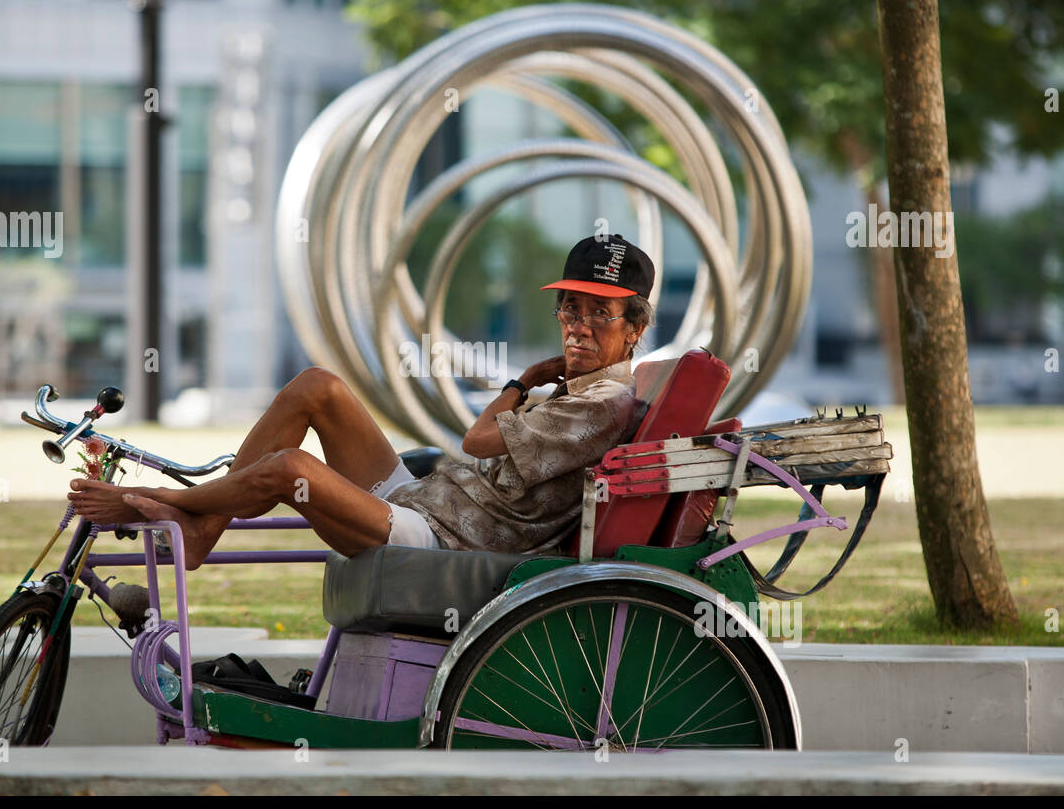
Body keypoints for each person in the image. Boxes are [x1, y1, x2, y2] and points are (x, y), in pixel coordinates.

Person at [68, 234, 655, 567]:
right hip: (426, 501)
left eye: (600, 313)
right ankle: (198, 533)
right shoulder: (583, 388)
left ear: (634, 328)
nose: (578, 326)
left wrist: (520, 383)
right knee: (317, 387)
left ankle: (163, 500)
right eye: (570, 309)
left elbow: (475, 441)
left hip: (445, 540)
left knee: (293, 470)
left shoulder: (602, 403)